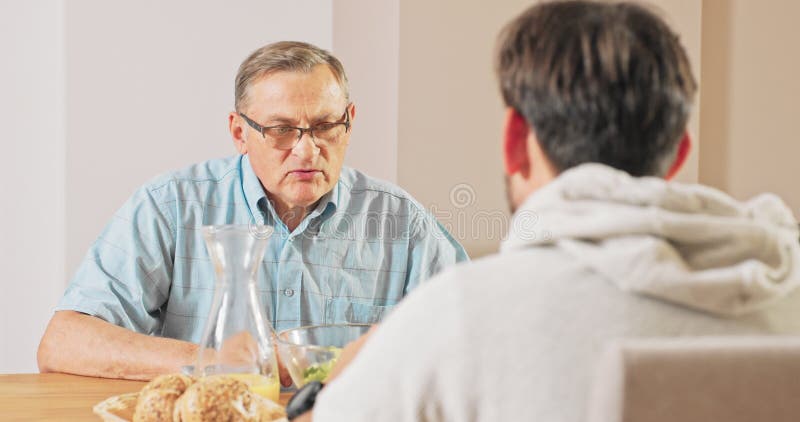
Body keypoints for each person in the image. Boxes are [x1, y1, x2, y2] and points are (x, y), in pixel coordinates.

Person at [289, 1, 800, 421]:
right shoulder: (786, 295)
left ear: (515, 141)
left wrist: (327, 392)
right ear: (678, 155)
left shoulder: (458, 317)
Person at [37, 41, 468, 381]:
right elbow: (64, 342)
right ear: (239, 132)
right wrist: (216, 363)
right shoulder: (170, 205)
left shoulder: (401, 221)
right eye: (282, 130)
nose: (306, 149)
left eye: (324, 127)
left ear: (349, 122)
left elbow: (472, 338)